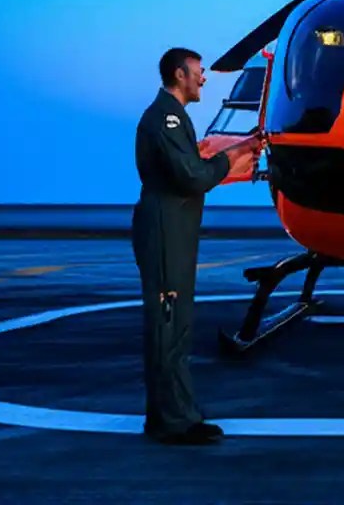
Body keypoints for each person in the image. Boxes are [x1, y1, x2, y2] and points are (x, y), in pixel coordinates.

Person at [132, 47, 262, 445]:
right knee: (168, 325)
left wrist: (231, 151)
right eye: (198, 72)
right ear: (179, 74)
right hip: (166, 232)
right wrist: (233, 155)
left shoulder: (173, 117)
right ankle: (173, 422)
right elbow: (191, 176)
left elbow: (188, 168)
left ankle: (173, 415)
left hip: (174, 231)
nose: (203, 78)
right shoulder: (166, 117)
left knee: (176, 325)